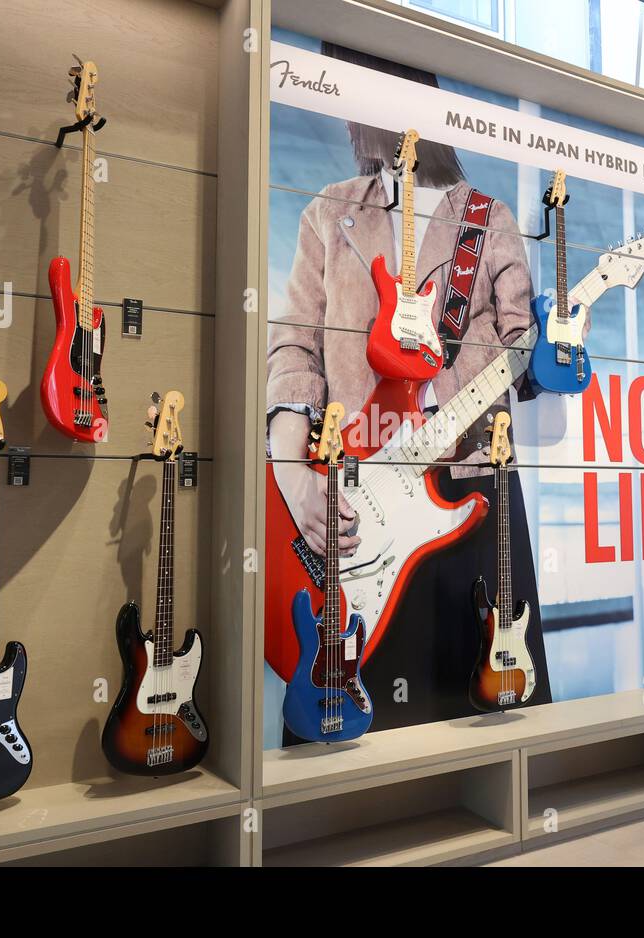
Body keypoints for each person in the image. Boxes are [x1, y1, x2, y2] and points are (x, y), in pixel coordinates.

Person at [267, 44, 552, 738]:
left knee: (485, 701)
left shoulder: (488, 217)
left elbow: (528, 356)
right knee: (347, 709)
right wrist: (292, 478)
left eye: (352, 97)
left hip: (470, 487)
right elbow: (293, 350)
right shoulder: (327, 214)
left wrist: (555, 351)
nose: (344, 122)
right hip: (358, 490)